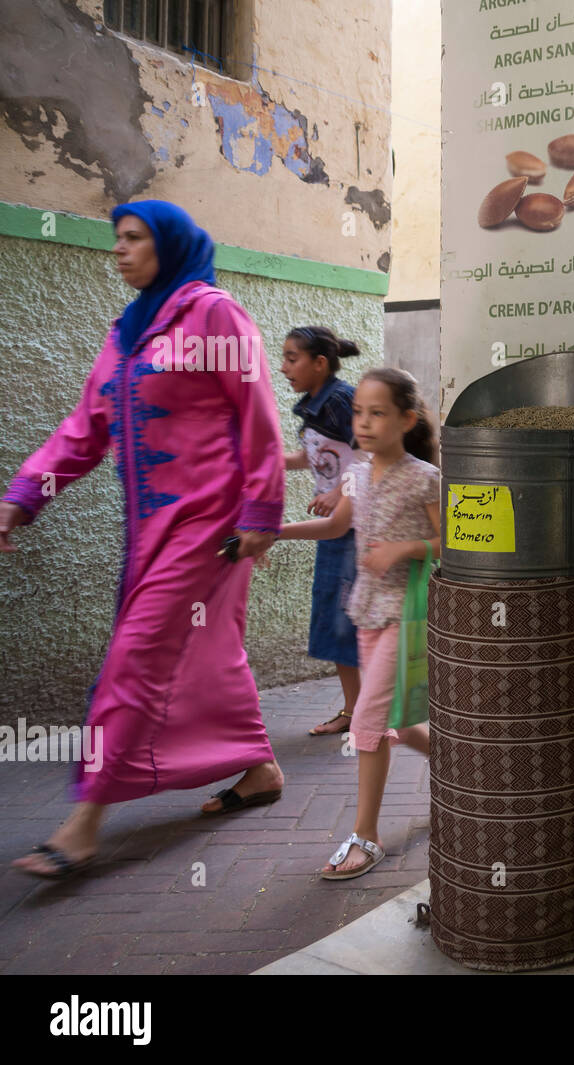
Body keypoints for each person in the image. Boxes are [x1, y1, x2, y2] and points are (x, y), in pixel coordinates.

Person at [1, 200, 286, 880]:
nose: (120, 250)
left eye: (134, 239)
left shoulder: (214, 313)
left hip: (212, 522)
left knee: (136, 652)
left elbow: (259, 416)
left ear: (171, 244)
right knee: (208, 650)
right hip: (150, 528)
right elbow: (83, 431)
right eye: (116, 239)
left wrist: (260, 514)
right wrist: (21, 498)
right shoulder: (128, 333)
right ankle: (260, 767)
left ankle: (85, 821)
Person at [273, 368, 440, 879]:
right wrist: (271, 531)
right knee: (394, 722)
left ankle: (364, 836)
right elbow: (334, 525)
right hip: (366, 612)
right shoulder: (356, 473)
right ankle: (463, 767)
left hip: (407, 615)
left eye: (377, 413)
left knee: (367, 719)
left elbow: (454, 542)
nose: (363, 422)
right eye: (359, 412)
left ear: (406, 419)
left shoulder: (424, 478)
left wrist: (406, 548)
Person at [280, 326, 363, 736]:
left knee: (351, 620)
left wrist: (341, 492)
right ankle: (355, 711)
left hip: (357, 529)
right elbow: (311, 457)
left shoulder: (343, 401)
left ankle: (369, 712)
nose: (284, 368)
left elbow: (370, 455)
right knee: (337, 620)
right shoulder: (315, 405)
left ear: (320, 363)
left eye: (292, 358)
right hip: (334, 532)